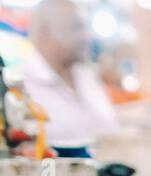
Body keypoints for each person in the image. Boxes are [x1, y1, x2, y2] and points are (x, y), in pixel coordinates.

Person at [19, 0, 120, 147]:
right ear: (45, 32)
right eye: (76, 28)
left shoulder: (87, 77)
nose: (87, 37)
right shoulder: (21, 87)